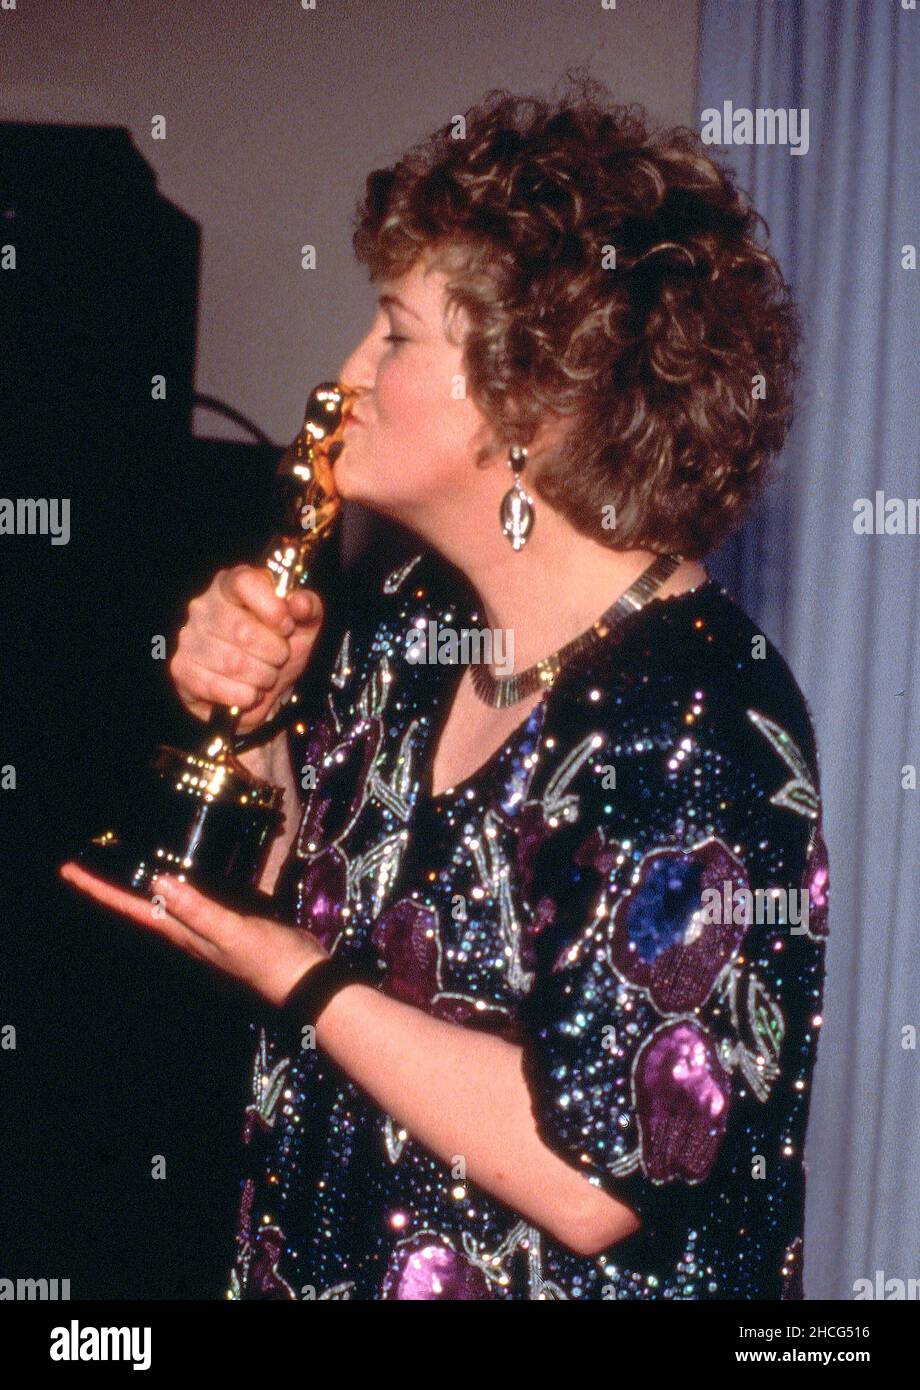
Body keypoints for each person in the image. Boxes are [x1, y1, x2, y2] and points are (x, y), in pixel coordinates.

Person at [61, 80, 829, 1301]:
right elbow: (319, 916)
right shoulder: (416, 630)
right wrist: (248, 729)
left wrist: (293, 975)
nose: (346, 372)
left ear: (530, 396)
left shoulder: (698, 711)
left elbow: (597, 1179)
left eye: (395, 334)